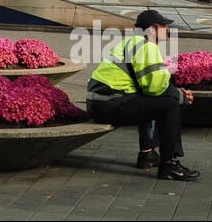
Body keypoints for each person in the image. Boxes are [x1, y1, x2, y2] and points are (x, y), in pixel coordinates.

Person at [86, 10, 200, 181]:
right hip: (111, 103)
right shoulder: (146, 47)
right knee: (169, 106)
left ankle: (147, 154)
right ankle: (168, 165)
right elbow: (156, 87)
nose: (168, 29)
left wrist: (176, 92)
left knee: (152, 101)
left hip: (100, 102)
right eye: (164, 26)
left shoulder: (131, 42)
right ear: (153, 29)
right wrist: (181, 96)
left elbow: (149, 87)